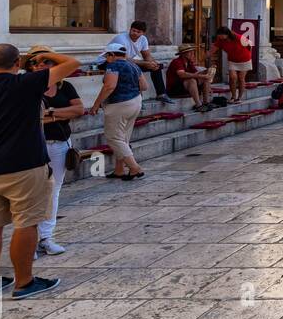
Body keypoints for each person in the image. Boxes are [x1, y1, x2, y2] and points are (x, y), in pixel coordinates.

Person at [0, 43, 79, 299]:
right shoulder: (26, 84)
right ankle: (24, 281)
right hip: (24, 165)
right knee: (26, 223)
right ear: (17, 64)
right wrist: (45, 56)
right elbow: (71, 64)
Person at [21, 46, 84, 257]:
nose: (41, 65)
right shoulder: (24, 85)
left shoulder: (65, 86)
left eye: (47, 61)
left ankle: (46, 236)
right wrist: (60, 114)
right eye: (36, 61)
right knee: (29, 192)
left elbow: (78, 110)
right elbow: (28, 117)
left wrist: (49, 113)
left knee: (53, 190)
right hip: (32, 143)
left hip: (59, 142)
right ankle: (27, 241)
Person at [87, 43, 147, 179]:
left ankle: (134, 168)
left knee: (114, 138)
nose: (106, 59)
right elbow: (144, 86)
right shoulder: (134, 65)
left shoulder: (113, 65)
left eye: (107, 56)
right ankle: (119, 169)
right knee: (123, 138)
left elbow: (109, 86)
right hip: (136, 102)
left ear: (112, 55)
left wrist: (96, 105)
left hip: (119, 105)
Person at [109, 21, 173, 105]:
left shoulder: (143, 39)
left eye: (138, 32)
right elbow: (124, 58)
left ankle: (161, 94)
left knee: (156, 67)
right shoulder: (121, 39)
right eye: (133, 30)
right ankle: (138, 100)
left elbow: (147, 56)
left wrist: (152, 63)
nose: (135, 33)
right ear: (130, 29)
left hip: (127, 62)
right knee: (135, 68)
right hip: (111, 61)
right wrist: (145, 63)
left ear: (143, 33)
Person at [166, 44, 216, 112]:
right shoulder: (177, 62)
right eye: (190, 52)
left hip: (185, 87)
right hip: (174, 89)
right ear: (184, 54)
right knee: (192, 81)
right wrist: (200, 76)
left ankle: (206, 103)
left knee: (205, 78)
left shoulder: (189, 62)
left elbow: (196, 73)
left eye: (192, 51)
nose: (192, 53)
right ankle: (198, 105)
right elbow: (182, 75)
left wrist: (206, 72)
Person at [209, 27, 252, 103]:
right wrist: (206, 56)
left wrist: (245, 54)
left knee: (241, 78)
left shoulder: (238, 37)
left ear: (227, 34)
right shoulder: (220, 41)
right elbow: (213, 49)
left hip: (245, 60)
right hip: (232, 60)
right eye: (219, 35)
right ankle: (233, 97)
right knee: (232, 78)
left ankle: (239, 98)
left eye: (221, 35)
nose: (219, 37)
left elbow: (250, 45)